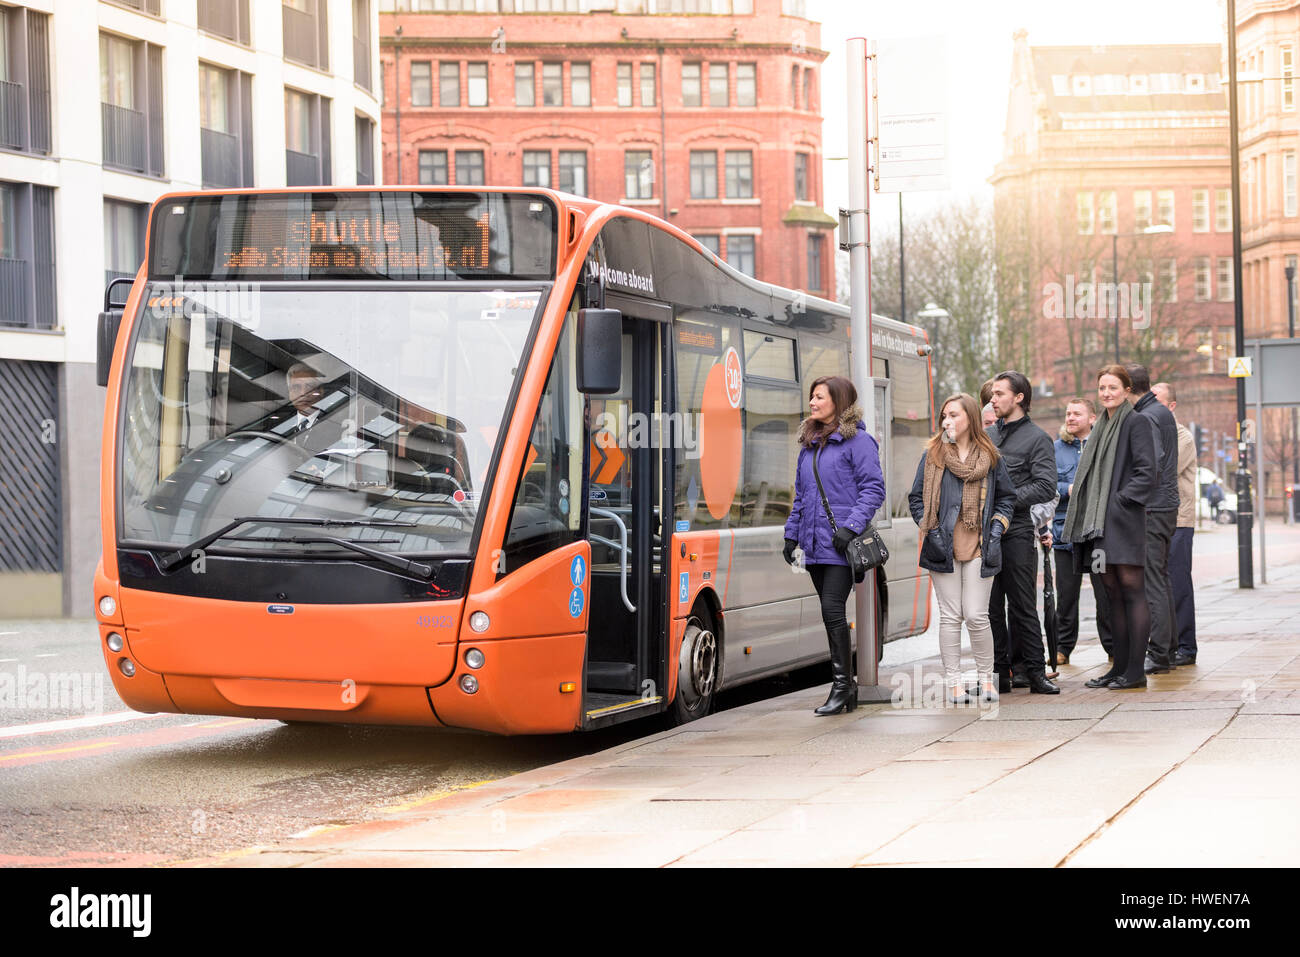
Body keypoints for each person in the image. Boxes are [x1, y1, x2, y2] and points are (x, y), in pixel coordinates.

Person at [784, 375, 887, 715]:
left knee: (832, 609)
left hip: (842, 545)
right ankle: (847, 686)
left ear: (838, 402)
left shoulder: (858, 442)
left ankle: (842, 685)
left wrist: (851, 527)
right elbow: (802, 496)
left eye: (819, 397)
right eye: (812, 397)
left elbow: (874, 489)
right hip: (814, 545)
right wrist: (791, 534)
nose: (812, 403)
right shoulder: (810, 444)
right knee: (830, 615)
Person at [909, 394, 1016, 704]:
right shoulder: (934, 455)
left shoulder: (991, 456)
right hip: (941, 545)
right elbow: (916, 497)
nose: (946, 421)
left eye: (953, 415)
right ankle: (954, 683)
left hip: (981, 545)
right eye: (944, 415)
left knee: (977, 616)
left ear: (969, 417)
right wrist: (928, 527)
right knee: (951, 616)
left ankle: (987, 680)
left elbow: (1007, 498)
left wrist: (997, 526)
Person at [1064, 364, 1157, 690]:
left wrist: (1120, 500)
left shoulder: (1136, 422)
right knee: (1112, 595)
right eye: (1102, 388)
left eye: (1113, 388)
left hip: (1123, 522)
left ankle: (1135, 671)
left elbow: (1148, 472)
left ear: (1127, 390)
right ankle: (1118, 668)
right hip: (1099, 525)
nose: (1106, 393)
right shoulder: (1101, 425)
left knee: (1132, 592)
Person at [985, 371, 1060, 694]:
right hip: (986, 534)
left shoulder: (1037, 438)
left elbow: (1046, 486)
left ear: (1019, 398)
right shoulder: (986, 435)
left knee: (1022, 605)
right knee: (988, 608)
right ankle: (999, 674)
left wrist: (1007, 501)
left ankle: (1035, 672)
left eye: (1000, 393)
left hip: (1015, 531)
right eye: (992, 394)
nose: (993, 399)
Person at [1046, 398, 1113, 664]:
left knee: (1104, 593)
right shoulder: (1055, 449)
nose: (1070, 418)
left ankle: (1112, 648)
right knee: (1066, 594)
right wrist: (1068, 489)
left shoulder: (1102, 447)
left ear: (1092, 418)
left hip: (1097, 535)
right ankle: (1062, 649)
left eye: (1077, 413)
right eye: (1067, 413)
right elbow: (1048, 485)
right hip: (1066, 534)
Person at [1126, 364, 1179, 675]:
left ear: (1129, 388)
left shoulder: (1145, 417)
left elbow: (1152, 463)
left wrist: (1129, 495)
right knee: (1162, 578)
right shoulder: (1161, 412)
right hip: (1165, 505)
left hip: (1153, 507)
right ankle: (1167, 648)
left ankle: (1158, 652)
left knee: (1153, 580)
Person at [1152, 382, 1198, 665]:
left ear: (1171, 406)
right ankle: (1165, 646)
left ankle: (1186, 647)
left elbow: (1162, 470)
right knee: (1158, 585)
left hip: (1179, 519)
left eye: (1157, 401)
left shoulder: (1183, 437)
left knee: (1178, 583)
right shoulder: (1149, 435)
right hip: (1156, 518)